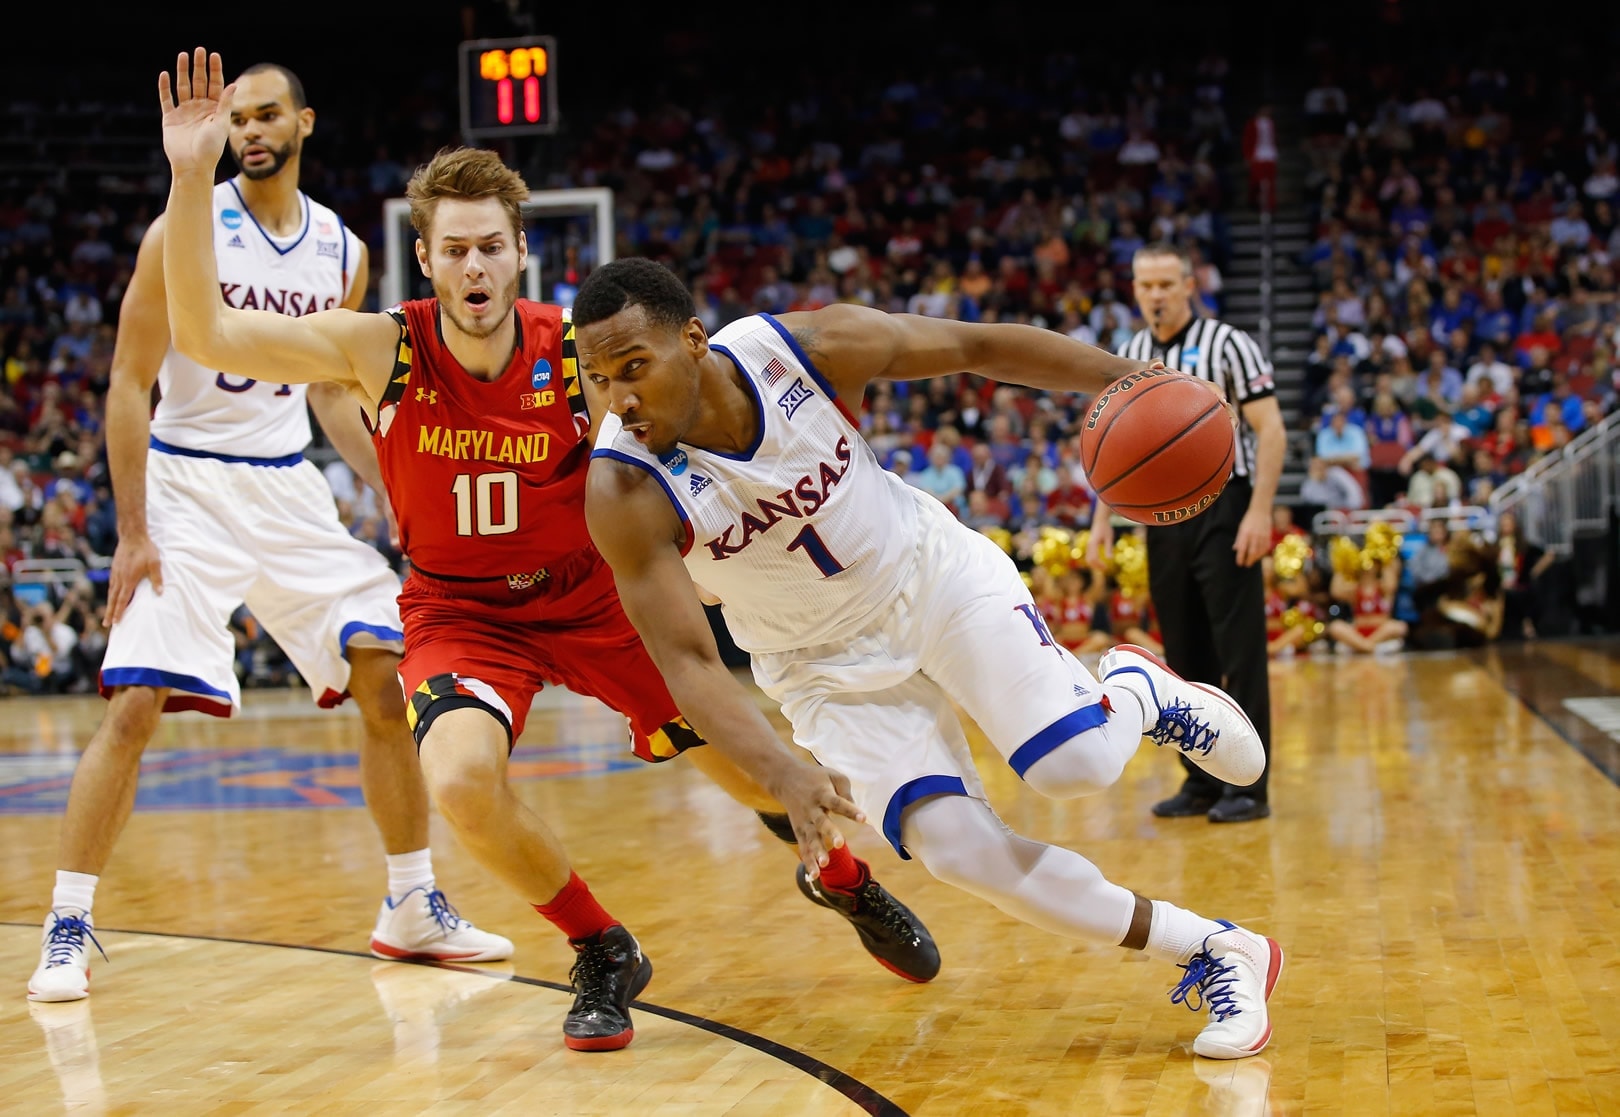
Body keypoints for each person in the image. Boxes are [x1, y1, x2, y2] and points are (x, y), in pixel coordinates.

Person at [153, 52, 936, 1051]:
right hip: (460, 612)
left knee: (745, 771)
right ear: (425, 260)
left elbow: (693, 412)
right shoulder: (381, 346)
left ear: (519, 253)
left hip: (592, 597)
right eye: (455, 251)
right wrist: (189, 179)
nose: (474, 267)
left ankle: (843, 877)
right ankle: (601, 947)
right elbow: (205, 330)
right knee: (462, 781)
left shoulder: (575, 351)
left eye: (491, 248)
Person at [577, 257, 1283, 1061]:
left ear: (694, 341)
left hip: (931, 577)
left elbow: (977, 346)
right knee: (961, 853)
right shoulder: (623, 488)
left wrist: (1131, 380)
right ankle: (1216, 950)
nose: (619, 400)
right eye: (596, 378)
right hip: (821, 668)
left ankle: (1136, 692)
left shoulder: (806, 349)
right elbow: (687, 661)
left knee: (1076, 767)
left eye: (634, 368)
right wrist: (782, 772)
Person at [27, 60, 512, 1005]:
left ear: (303, 123)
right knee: (133, 704)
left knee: (385, 672)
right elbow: (128, 384)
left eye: (265, 115)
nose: (249, 129)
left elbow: (331, 391)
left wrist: (399, 493)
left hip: (288, 485)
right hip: (186, 483)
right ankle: (69, 922)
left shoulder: (340, 246)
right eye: (237, 118)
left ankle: (410, 902)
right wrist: (133, 529)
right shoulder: (183, 227)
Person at [1090, 242, 1285, 824]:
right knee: (1182, 654)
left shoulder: (1230, 344)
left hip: (1228, 507)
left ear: (1188, 285)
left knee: (1239, 650)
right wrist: (1102, 518)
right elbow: (1112, 450)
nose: (1155, 295)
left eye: (1166, 285)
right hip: (1160, 516)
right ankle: (1201, 781)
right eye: (1145, 285)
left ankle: (1250, 785)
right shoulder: (1130, 352)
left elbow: (1270, 430)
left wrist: (1260, 512)